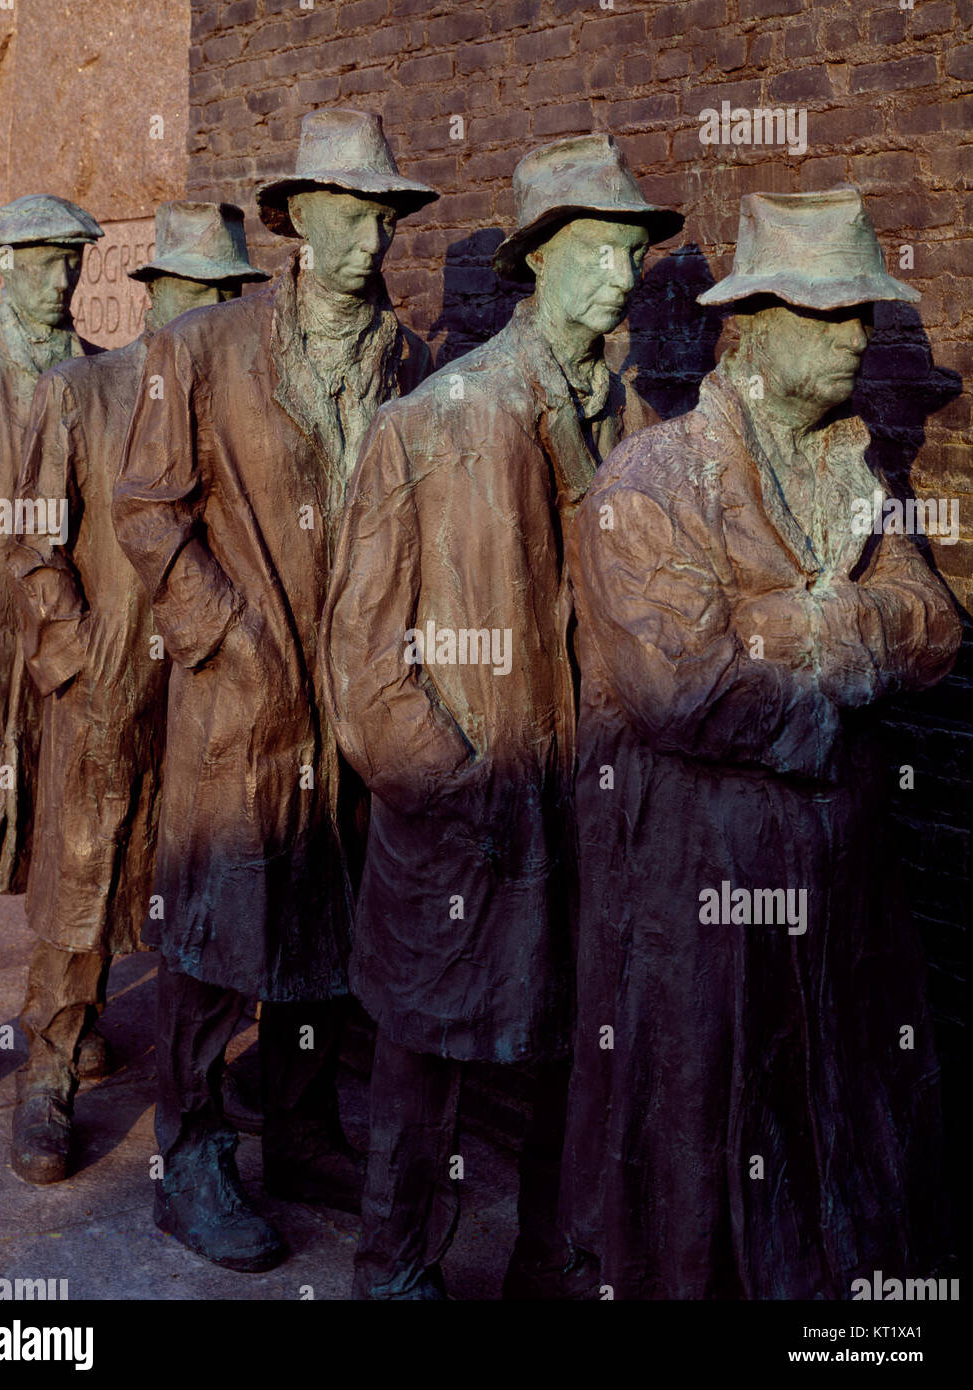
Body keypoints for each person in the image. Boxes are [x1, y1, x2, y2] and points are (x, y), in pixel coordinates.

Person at [563, 186, 962, 1299]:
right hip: (700, 881)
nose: (854, 338)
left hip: (836, 886)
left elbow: (928, 629)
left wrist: (809, 627)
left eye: (860, 316)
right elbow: (677, 687)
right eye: (830, 315)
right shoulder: (651, 482)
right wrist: (823, 675)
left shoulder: (854, 471)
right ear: (755, 322)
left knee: (829, 1131)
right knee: (696, 1135)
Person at [320, 133, 683, 1299]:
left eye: (630, 254)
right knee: (424, 1053)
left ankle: (551, 1250)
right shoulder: (436, 420)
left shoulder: (627, 425)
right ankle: (395, 1267)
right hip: (464, 807)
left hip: (585, 804)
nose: (620, 279)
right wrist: (447, 788)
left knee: (577, 1046)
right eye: (594, 254)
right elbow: (364, 658)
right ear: (538, 263)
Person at [112, 109, 438, 1272]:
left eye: (381, 218)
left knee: (330, 927)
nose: (368, 240)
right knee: (214, 934)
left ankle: (297, 1126)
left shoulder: (410, 362)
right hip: (239, 706)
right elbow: (147, 511)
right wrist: (226, 639)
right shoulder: (201, 350)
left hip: (353, 707)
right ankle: (189, 1151)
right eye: (346, 216)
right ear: (296, 219)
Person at [7, 201, 268, 1184]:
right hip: (106, 677)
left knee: (198, 879)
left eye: (223, 298)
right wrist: (74, 659)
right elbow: (32, 539)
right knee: (82, 877)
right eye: (191, 295)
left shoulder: (243, 404)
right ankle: (48, 1072)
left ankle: (198, 1079)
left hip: (206, 692)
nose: (206, 316)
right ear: (154, 296)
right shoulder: (82, 391)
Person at [0, 195, 102, 1103]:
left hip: (68, 649)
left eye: (71, 261)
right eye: (40, 262)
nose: (59, 279)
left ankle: (63, 1032)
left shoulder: (106, 379)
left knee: (74, 846)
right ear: (1, 264)